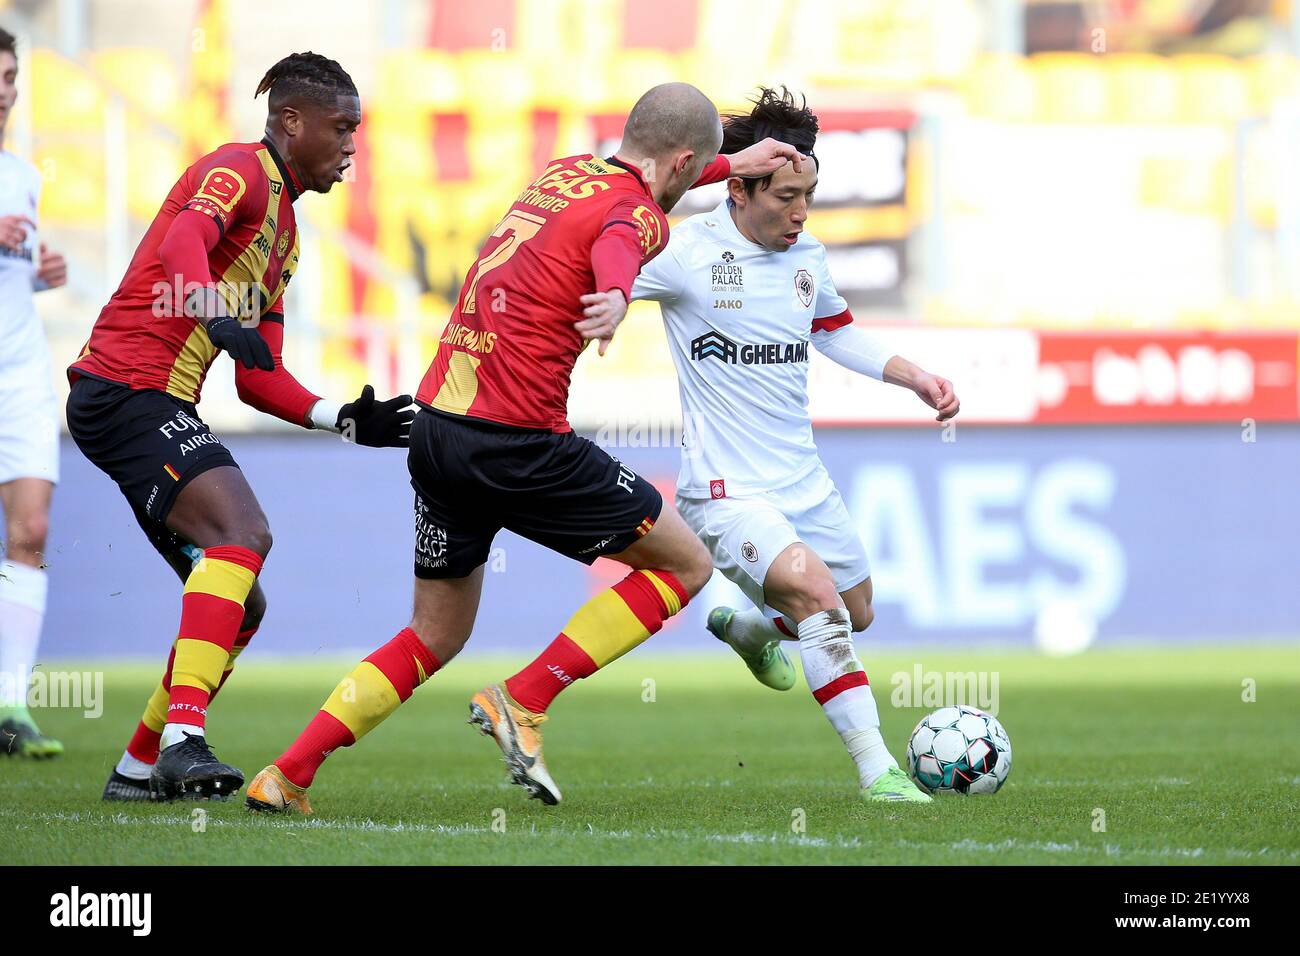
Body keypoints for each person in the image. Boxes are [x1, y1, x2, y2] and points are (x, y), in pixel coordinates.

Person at [245, 82, 804, 813]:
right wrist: (613, 294)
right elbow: (622, 235)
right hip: (516, 441)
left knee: (433, 634)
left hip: (437, 428)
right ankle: (526, 700)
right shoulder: (635, 215)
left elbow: (645, 190)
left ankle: (286, 775)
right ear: (683, 161)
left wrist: (732, 165)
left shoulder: (564, 173)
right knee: (685, 564)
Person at [66, 52, 413, 801]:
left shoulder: (284, 238)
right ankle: (185, 741)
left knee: (241, 603)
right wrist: (213, 311)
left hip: (154, 405)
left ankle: (135, 768)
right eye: (343, 127)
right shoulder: (238, 170)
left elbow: (260, 379)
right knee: (243, 532)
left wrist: (342, 418)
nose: (353, 146)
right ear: (292, 122)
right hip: (124, 389)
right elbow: (180, 245)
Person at [631, 87, 960, 802]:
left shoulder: (806, 253)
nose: (802, 212)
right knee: (819, 601)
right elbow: (593, 249)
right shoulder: (686, 254)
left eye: (809, 193)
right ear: (741, 185)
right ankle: (881, 774)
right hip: (726, 492)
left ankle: (751, 630)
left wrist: (914, 377)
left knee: (857, 610)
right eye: (786, 195)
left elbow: (834, 328)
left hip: (802, 479)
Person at [0, 27, 70, 758]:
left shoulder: (23, 173)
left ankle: (11, 709)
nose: (3, 88)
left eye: (12, 74)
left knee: (31, 532)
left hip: (19, 371)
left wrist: (42, 270)